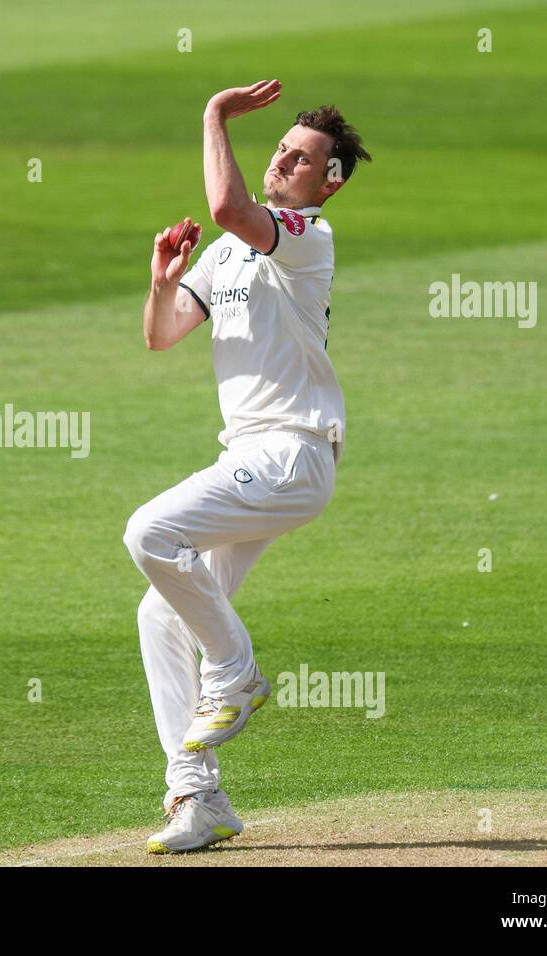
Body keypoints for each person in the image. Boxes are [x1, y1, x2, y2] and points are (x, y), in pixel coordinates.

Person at [123, 80, 371, 854]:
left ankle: (237, 672)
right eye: (283, 149)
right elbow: (163, 336)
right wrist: (161, 283)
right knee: (159, 614)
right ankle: (196, 796)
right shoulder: (229, 255)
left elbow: (232, 207)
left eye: (302, 158)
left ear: (326, 182)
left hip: (293, 452)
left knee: (150, 533)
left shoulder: (304, 233)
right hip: (251, 458)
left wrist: (212, 115)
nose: (285, 160)